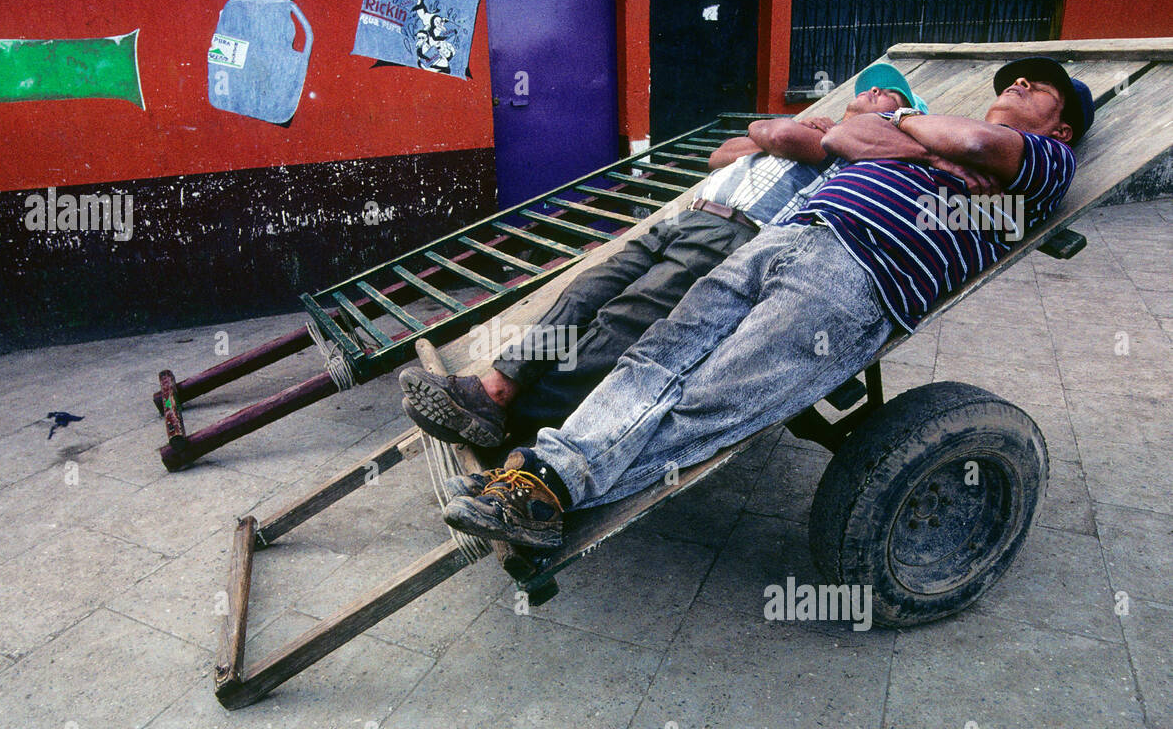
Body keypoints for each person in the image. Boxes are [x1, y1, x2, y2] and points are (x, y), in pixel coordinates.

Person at [440, 57, 1091, 549]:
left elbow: (973, 146)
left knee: (715, 397)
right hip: (787, 236)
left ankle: (547, 486)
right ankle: (536, 477)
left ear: (1059, 127)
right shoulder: (939, 134)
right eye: (1015, 81)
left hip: (860, 276)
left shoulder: (1045, 162)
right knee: (655, 356)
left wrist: (901, 133)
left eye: (1038, 89)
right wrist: (913, 133)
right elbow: (845, 141)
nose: (1019, 87)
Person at [400, 64, 928, 452]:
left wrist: (775, 135)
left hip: (737, 232)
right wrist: (770, 137)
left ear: (903, 115)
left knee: (626, 320)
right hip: (690, 217)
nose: (876, 90)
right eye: (871, 86)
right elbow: (720, 153)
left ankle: (523, 424)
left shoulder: (867, 141)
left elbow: (772, 133)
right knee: (585, 292)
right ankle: (495, 389)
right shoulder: (818, 131)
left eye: (890, 94)